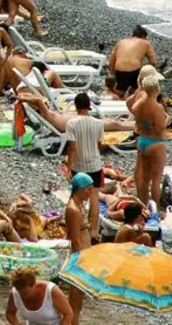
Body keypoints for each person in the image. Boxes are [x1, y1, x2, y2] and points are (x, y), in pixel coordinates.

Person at [65, 92, 106, 237]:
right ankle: (94, 231)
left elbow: (72, 147)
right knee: (94, 196)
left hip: (79, 165)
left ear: (76, 106)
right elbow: (100, 144)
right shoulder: (98, 123)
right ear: (88, 106)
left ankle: (77, 227)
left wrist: (69, 166)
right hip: (95, 164)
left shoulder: (72, 123)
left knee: (77, 198)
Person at [128, 65, 168, 209]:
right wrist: (166, 119)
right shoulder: (156, 106)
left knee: (143, 176)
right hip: (155, 142)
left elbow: (131, 106)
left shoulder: (141, 100)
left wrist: (142, 122)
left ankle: (143, 205)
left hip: (143, 140)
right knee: (156, 179)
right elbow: (160, 128)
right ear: (156, 88)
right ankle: (155, 209)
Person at [63, 173, 95, 319]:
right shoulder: (73, 210)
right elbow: (76, 240)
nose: (91, 192)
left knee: (79, 301)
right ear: (80, 189)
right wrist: (83, 263)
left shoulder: (79, 204)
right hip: (79, 256)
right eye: (88, 189)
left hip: (84, 252)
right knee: (75, 302)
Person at [6, 265, 73, 325]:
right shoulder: (15, 292)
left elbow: (68, 314)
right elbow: (10, 313)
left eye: (25, 292)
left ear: (34, 284)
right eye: (20, 292)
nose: (22, 295)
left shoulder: (52, 291)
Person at [108, 25, 157, 97]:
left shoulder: (121, 42)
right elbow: (153, 61)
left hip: (119, 70)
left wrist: (112, 73)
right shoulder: (145, 43)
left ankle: (119, 98)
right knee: (136, 89)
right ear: (143, 36)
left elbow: (112, 60)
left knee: (120, 90)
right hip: (134, 70)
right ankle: (132, 94)